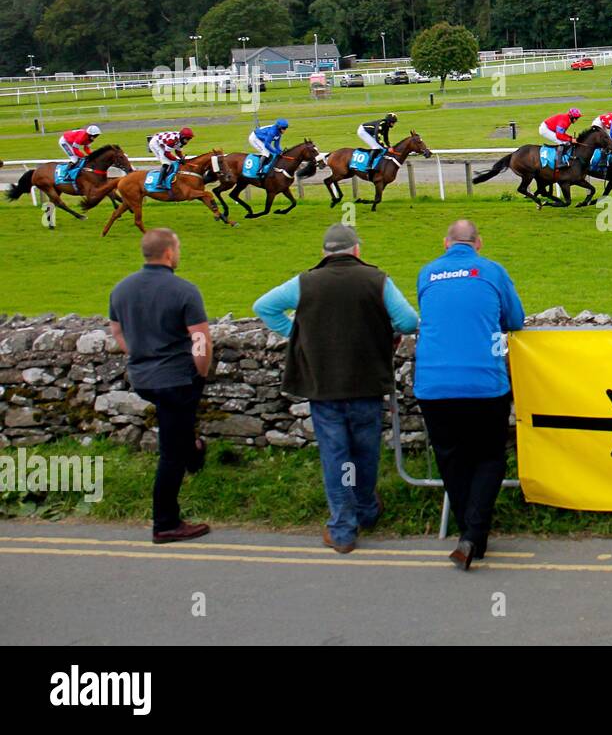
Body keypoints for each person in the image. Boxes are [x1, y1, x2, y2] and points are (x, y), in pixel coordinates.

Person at [253, 223, 418, 554]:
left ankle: (343, 528)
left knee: (337, 455)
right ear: (357, 250)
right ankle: (367, 511)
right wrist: (383, 335)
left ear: (324, 253)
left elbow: (264, 307)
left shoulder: (305, 281)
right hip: (367, 379)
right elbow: (409, 321)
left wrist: (299, 338)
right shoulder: (377, 280)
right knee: (365, 450)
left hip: (324, 383)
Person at [414, 220, 525, 570]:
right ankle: (473, 536)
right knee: (490, 457)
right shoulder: (491, 271)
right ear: (478, 243)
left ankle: (469, 534)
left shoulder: (427, 273)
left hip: (433, 384)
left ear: (446, 243)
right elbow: (516, 320)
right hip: (483, 382)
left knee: (451, 458)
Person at [108, 228, 212, 544]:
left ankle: (193, 451)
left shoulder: (121, 289)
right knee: (171, 454)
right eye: (177, 249)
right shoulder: (184, 290)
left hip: (143, 378)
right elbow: (200, 340)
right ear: (169, 253)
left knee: (177, 427)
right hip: (177, 379)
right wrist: (201, 373)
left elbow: (117, 333)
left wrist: (140, 354)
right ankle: (165, 523)